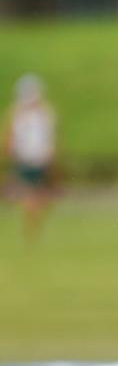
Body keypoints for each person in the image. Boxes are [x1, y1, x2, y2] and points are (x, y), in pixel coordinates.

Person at [5, 74, 57, 243]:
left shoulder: (43, 114)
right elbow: (10, 138)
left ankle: (32, 226)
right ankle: (31, 233)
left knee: (41, 196)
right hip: (26, 159)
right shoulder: (19, 114)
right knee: (32, 196)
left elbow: (49, 137)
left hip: (40, 159)